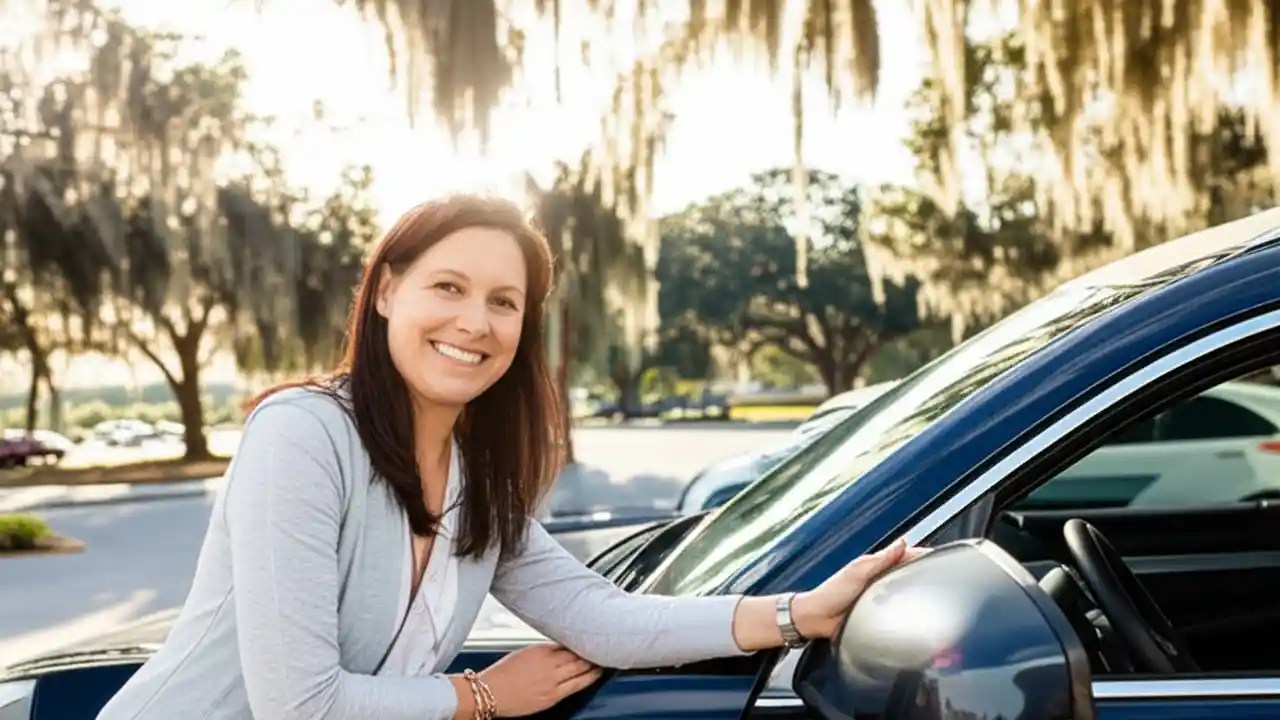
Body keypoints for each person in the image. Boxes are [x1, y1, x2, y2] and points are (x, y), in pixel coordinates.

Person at [96, 195, 922, 720]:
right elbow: (300, 704)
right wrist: (483, 696)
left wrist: (800, 612)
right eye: (447, 287)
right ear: (387, 292)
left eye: (503, 302)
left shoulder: (475, 483)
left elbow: (606, 619)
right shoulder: (303, 435)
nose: (474, 323)